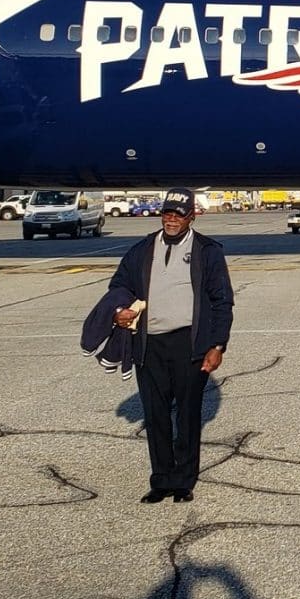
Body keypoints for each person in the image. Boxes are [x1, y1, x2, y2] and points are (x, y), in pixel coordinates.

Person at [107, 189, 234, 501]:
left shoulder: (208, 251)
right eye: (167, 213)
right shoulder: (142, 249)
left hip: (189, 344)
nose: (171, 219)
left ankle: (183, 481)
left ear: (191, 216)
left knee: (188, 414)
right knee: (156, 413)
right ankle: (161, 480)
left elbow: (222, 301)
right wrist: (119, 310)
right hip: (149, 344)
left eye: (178, 214)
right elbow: (119, 285)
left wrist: (217, 345)